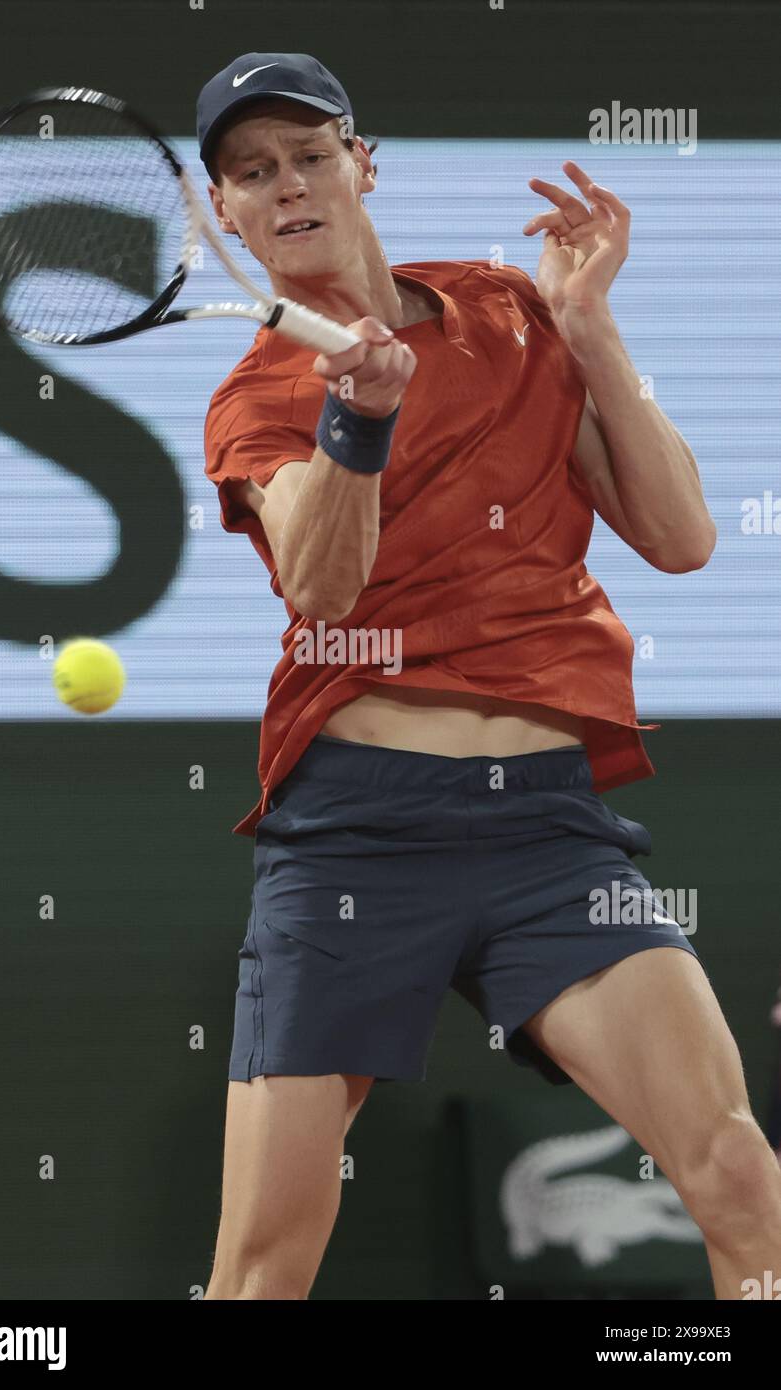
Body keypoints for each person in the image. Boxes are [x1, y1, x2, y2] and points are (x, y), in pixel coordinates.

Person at [199, 52, 781, 1299]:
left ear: (362, 165)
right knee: (262, 1267)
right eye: (252, 172)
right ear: (228, 215)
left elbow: (678, 536)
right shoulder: (256, 396)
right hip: (355, 836)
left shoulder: (511, 312)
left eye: (309, 154)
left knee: (737, 1177)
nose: (287, 184)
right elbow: (321, 587)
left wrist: (588, 328)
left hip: (547, 834)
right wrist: (358, 417)